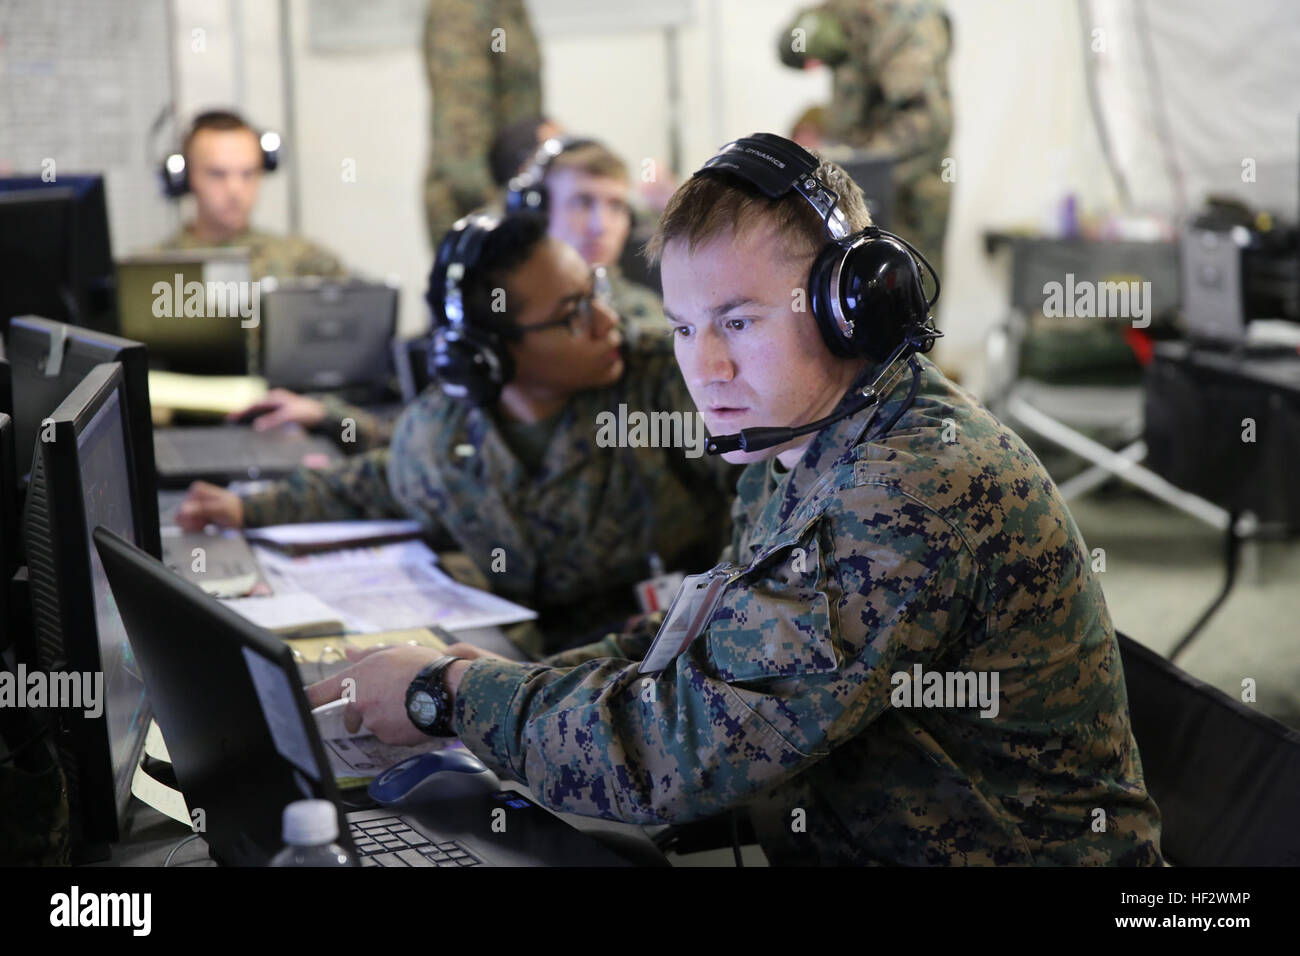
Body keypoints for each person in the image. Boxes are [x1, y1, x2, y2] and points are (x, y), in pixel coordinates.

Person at [305, 134, 1165, 866]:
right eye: (684, 327)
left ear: (851, 311)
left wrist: (445, 697)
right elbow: (709, 641)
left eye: (740, 321)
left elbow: (675, 751)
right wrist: (495, 679)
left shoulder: (911, 487)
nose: (703, 367)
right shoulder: (793, 446)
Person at [178, 213, 736, 657]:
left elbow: (767, 524)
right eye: (573, 314)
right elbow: (375, 483)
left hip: (671, 659)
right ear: (489, 356)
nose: (605, 322)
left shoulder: (671, 385)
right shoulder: (440, 434)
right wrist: (248, 510)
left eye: (595, 294)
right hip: (526, 666)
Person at [241, 138, 667, 452]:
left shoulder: (651, 317)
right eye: (582, 202)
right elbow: (452, 433)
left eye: (615, 207)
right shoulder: (490, 310)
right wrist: (330, 417)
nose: (601, 225)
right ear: (536, 212)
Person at [778, 0, 953, 277]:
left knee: (904, 296)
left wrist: (858, 171)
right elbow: (790, 47)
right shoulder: (844, 10)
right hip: (862, 187)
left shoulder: (907, 18)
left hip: (905, 194)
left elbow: (928, 123)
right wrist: (814, 33)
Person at [156, 109, 345, 280]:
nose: (235, 189)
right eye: (218, 174)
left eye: (248, 173)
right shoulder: (155, 271)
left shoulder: (304, 264)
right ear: (186, 177)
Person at [423, 0, 543, 245]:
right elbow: (460, 134)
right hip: (476, 203)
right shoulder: (461, 9)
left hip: (507, 193)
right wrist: (506, 211)